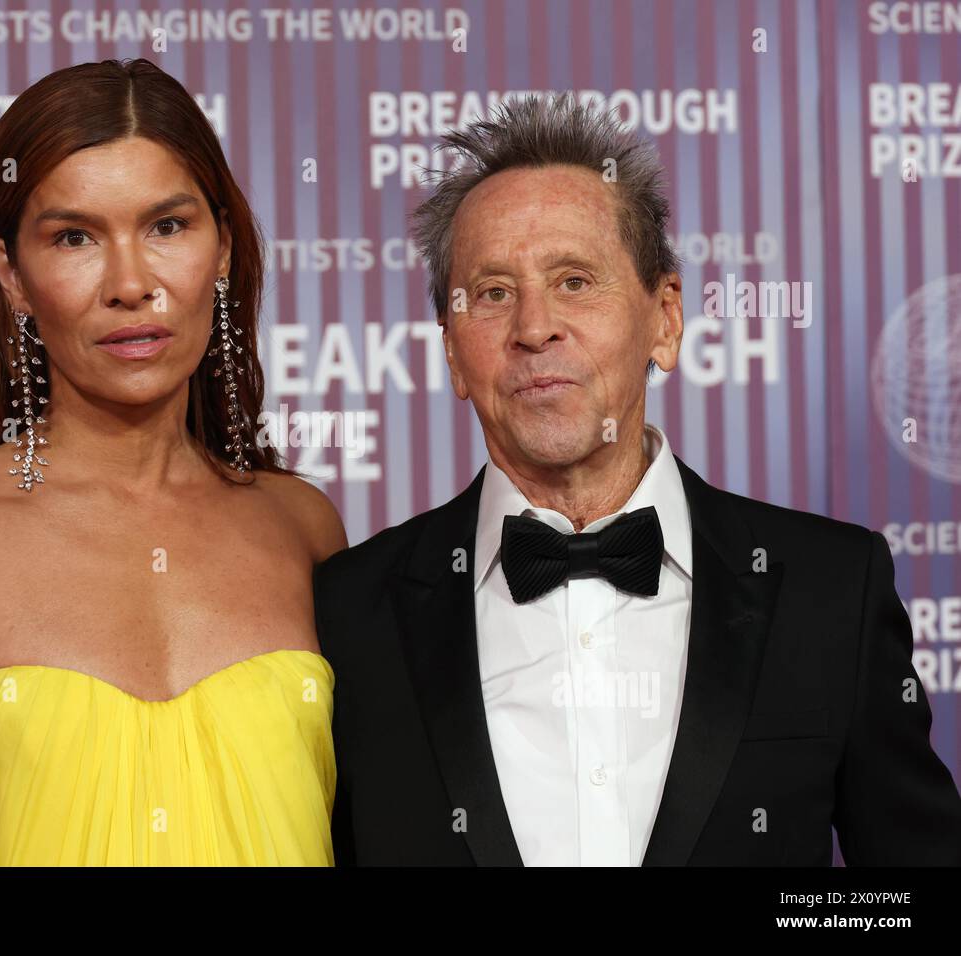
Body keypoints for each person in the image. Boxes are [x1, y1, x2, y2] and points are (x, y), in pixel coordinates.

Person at [314, 94, 961, 866]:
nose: (533, 327)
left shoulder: (831, 590)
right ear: (453, 351)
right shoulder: (349, 613)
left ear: (665, 317)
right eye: (491, 293)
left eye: (576, 281)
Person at [0, 59, 345, 866]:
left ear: (222, 249)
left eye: (167, 226)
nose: (131, 283)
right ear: (11, 276)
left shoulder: (302, 527)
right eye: (74, 237)